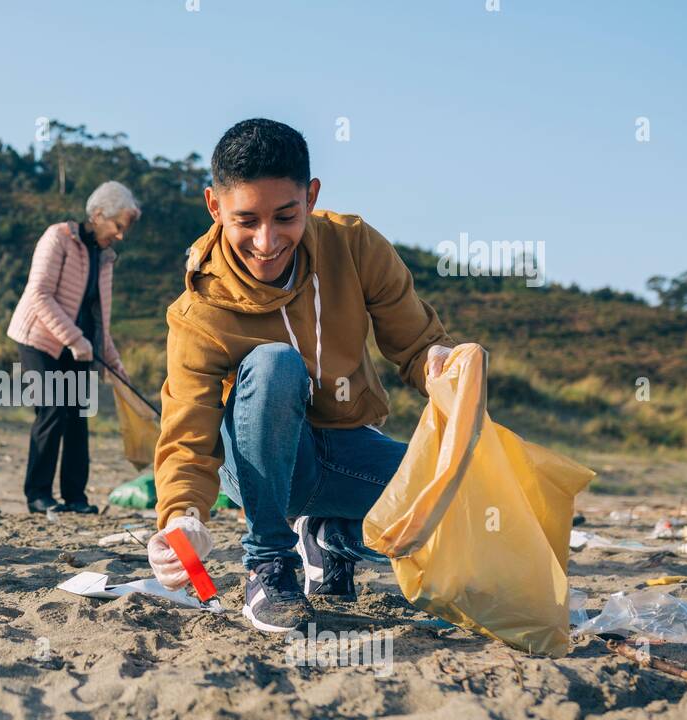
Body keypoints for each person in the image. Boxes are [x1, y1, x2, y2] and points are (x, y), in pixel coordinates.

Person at [146, 119, 459, 634]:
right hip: (257, 468)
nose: (266, 242)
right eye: (245, 220)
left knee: (456, 510)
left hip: (345, 448)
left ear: (311, 198)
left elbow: (417, 344)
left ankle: (331, 534)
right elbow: (187, 430)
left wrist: (444, 361)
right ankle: (269, 563)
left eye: (285, 217)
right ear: (214, 206)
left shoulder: (354, 246)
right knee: (274, 364)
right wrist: (183, 517)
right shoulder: (198, 311)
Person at [6, 181, 139, 514]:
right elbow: (39, 295)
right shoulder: (58, 238)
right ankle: (37, 495)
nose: (122, 235)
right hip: (39, 338)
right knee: (53, 410)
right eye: (119, 226)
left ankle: (76, 497)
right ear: (98, 215)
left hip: (78, 345)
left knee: (79, 415)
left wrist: (114, 362)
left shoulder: (105, 257)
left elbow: (99, 319)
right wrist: (76, 340)